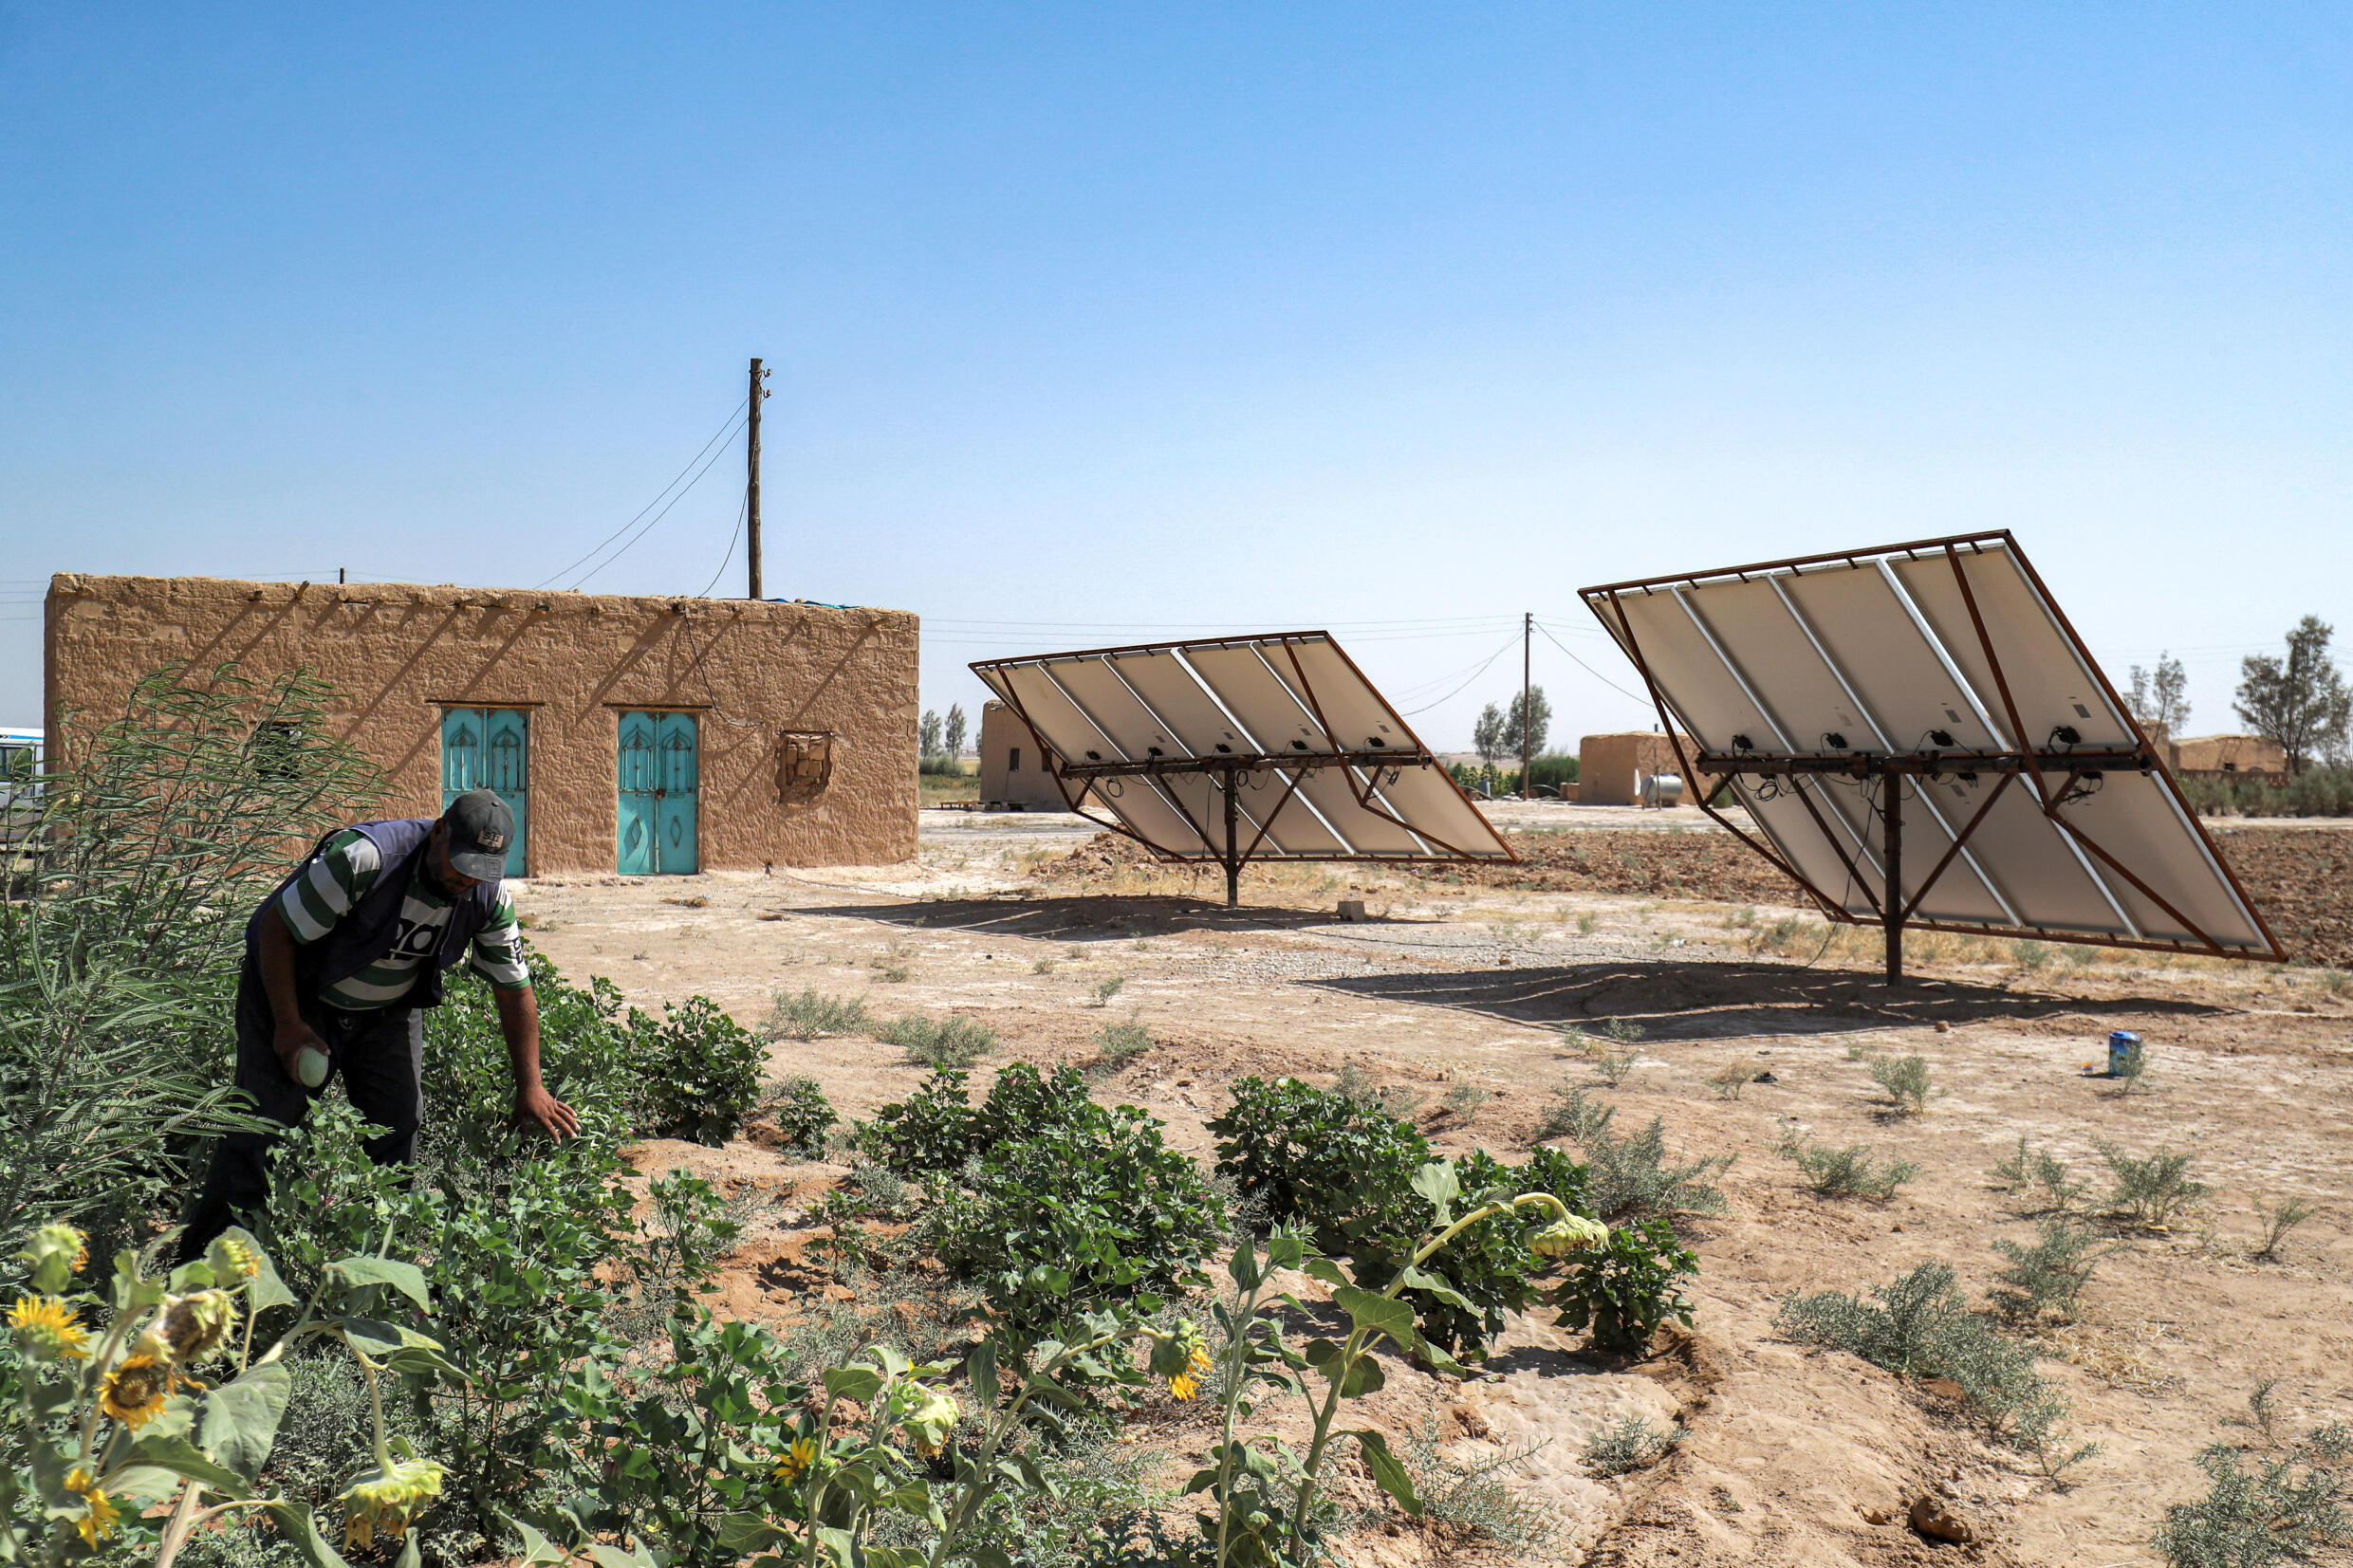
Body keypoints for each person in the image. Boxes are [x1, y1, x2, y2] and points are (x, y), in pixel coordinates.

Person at [178, 790, 580, 1258]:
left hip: (388, 1009)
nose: (465, 878)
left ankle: (370, 1277)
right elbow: (275, 930)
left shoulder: (487, 897)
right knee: (261, 1130)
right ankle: (199, 1275)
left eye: (480, 871)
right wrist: (288, 1026)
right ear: (437, 834)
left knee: (397, 1131)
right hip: (297, 997)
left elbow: (514, 989)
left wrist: (531, 1085)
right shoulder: (365, 859)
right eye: (459, 863)